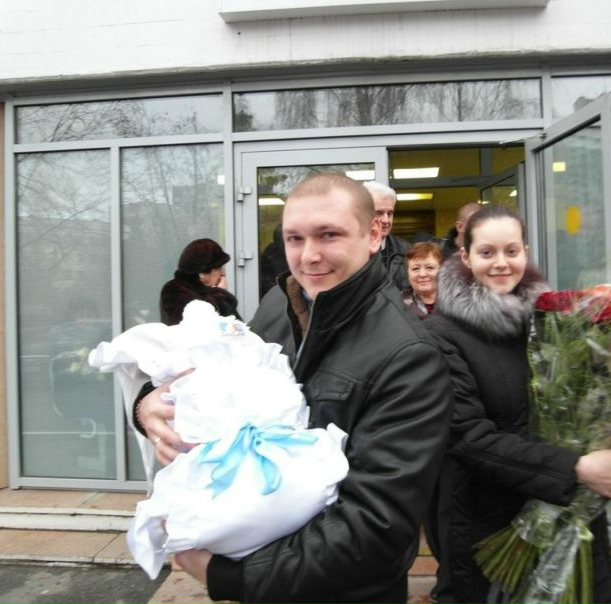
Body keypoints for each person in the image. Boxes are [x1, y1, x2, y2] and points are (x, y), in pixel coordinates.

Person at [134, 173, 454, 603]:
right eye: (294, 238)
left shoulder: (409, 356)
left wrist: (231, 577)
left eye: (329, 235)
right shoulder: (277, 304)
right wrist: (148, 405)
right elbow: (214, 374)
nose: (309, 256)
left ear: (374, 235)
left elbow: (377, 524)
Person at [424, 205, 611, 604]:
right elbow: (467, 437)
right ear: (465, 256)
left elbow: (591, 402)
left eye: (511, 251)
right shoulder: (441, 334)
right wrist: (576, 468)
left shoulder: (555, 319)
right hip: (490, 523)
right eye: (487, 252)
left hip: (572, 513)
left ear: (525, 252)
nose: (501, 263)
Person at [159, 238, 241, 325]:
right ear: (202, 273)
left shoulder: (209, 290)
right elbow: (196, 323)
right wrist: (219, 294)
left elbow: (237, 327)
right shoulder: (174, 292)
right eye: (218, 269)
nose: (222, 273)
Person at [364, 180, 410, 290]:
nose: (386, 220)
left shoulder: (406, 251)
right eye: (379, 213)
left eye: (389, 213)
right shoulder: (346, 250)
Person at [402, 241, 442, 318]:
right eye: (415, 268)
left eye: (430, 267)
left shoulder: (458, 303)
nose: (422, 274)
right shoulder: (397, 305)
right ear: (407, 272)